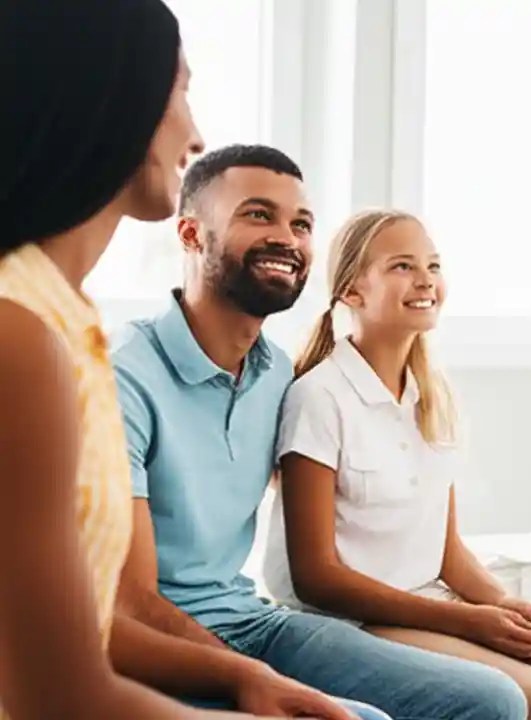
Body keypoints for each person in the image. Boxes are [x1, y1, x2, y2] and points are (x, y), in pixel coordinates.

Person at [111, 144, 528, 720]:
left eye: (301, 223)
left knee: (494, 699)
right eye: (258, 214)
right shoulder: (123, 377)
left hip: (255, 622)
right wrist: (248, 679)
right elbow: (129, 602)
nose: (287, 236)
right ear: (189, 234)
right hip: (162, 649)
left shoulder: (276, 374)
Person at [0, 1, 261, 717]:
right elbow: (54, 697)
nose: (197, 132)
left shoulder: (67, 318)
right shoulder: (17, 333)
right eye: (179, 89)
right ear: (108, 95)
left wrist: (244, 679)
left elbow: (82, 618)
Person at [262, 209, 531, 720]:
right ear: (352, 292)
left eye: (433, 266)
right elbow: (316, 577)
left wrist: (503, 603)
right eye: (402, 266)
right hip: (351, 620)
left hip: (426, 600)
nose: (425, 280)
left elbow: (448, 553)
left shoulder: (433, 398)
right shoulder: (318, 398)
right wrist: (465, 621)